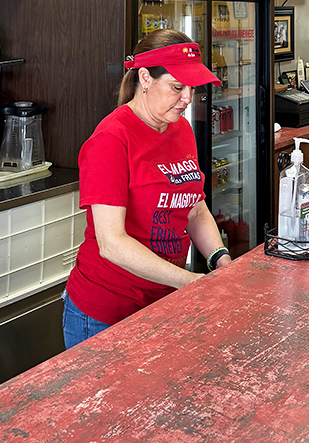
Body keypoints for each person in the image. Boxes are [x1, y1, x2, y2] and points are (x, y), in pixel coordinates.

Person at [62, 29, 232, 348]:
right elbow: (111, 243)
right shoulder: (111, 141)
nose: (186, 99)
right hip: (105, 315)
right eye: (177, 87)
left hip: (162, 303)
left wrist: (221, 259)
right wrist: (190, 282)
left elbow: (193, 208)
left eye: (191, 89)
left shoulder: (180, 129)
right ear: (145, 78)